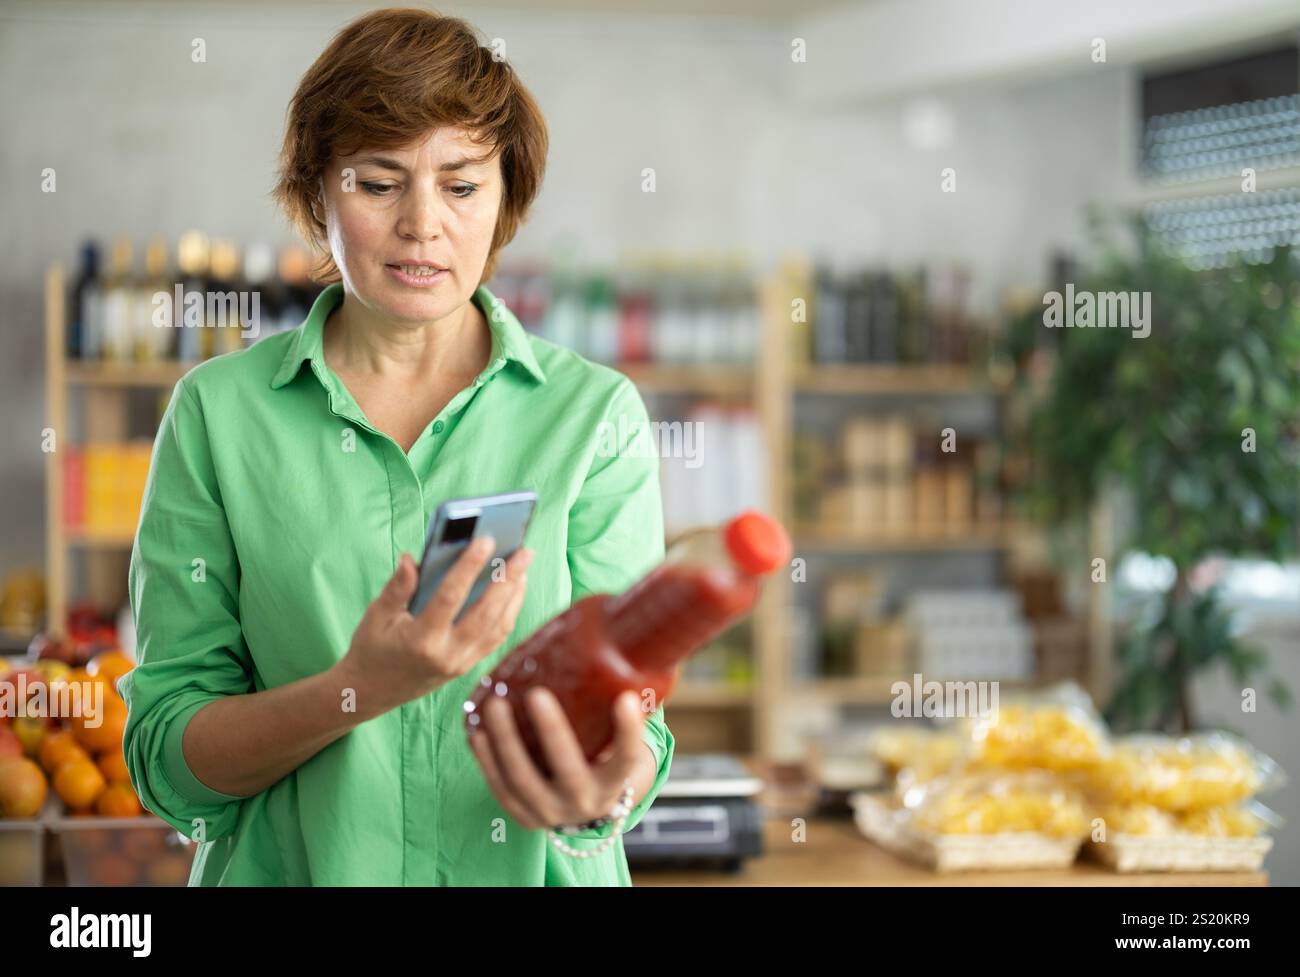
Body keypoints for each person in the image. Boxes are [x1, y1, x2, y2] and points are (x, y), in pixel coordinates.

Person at [120, 8, 673, 886]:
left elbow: (632, 717)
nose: (424, 224)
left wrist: (608, 783)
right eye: (378, 184)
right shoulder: (216, 415)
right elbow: (168, 761)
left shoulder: (593, 416)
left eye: (462, 187)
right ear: (316, 197)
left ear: (505, 201)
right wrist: (358, 686)